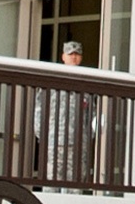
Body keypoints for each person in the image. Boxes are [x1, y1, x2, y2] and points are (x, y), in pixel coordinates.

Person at [33, 40, 92, 190]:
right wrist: (43, 135)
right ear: (63, 57)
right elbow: (39, 110)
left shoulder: (86, 85)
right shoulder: (52, 82)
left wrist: (86, 137)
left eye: (77, 54)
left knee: (75, 186)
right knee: (51, 184)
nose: (74, 57)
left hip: (78, 144)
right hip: (54, 142)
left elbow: (91, 116)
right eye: (70, 54)